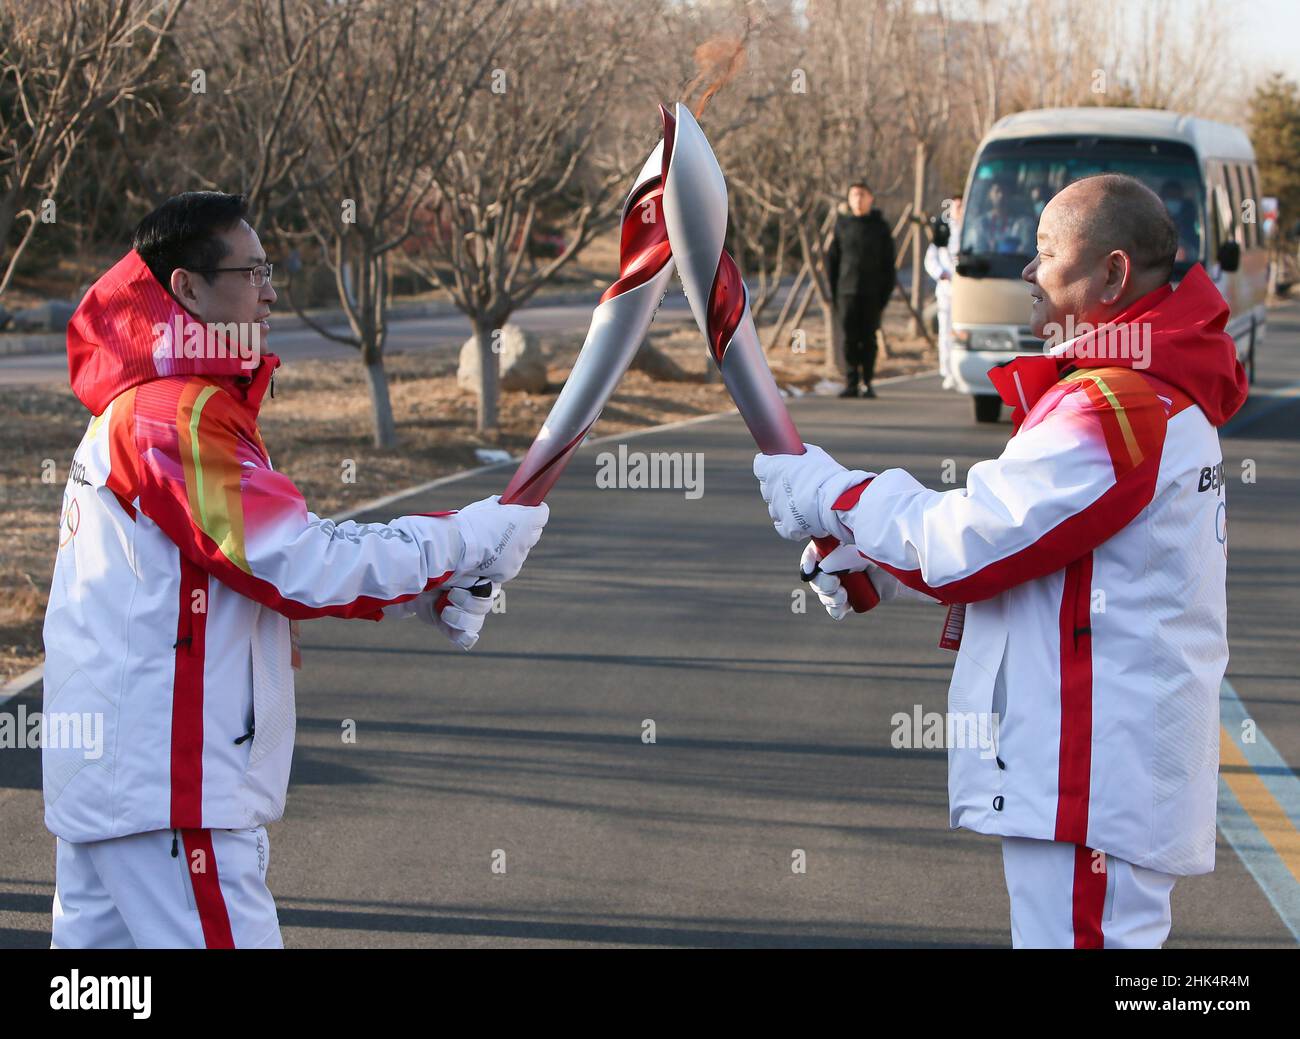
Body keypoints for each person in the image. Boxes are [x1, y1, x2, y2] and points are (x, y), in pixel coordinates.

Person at [42, 191, 550, 948]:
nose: (272, 290)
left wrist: (421, 593)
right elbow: (299, 561)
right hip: (175, 800)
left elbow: (237, 579)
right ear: (186, 287)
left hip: (124, 799)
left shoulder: (150, 410)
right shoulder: (168, 418)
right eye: (253, 272)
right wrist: (462, 538)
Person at [752, 174, 1247, 948]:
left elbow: (969, 543)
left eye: (1048, 251)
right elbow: (1041, 556)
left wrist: (833, 495)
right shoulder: (1142, 390)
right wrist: (874, 556)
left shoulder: (1122, 407)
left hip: (1092, 778)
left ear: (1113, 274)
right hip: (1091, 772)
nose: (1027, 269)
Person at [826, 181, 895, 398]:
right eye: (854, 195)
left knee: (869, 339)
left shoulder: (880, 227)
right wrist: (835, 290)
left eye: (862, 195)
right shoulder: (842, 225)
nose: (857, 199)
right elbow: (832, 261)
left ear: (870, 198)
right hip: (846, 291)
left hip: (872, 292)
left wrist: (884, 294)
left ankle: (867, 381)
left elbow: (888, 264)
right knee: (849, 338)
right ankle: (851, 382)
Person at [924, 194, 962, 390]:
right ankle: (947, 371)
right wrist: (942, 274)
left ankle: (961, 370)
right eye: (955, 206)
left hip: (966, 291)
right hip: (947, 290)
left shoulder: (970, 229)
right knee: (945, 330)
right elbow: (930, 259)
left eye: (962, 206)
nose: (958, 210)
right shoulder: (943, 230)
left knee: (962, 331)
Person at [967, 177, 1035, 255]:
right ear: (990, 194)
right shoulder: (981, 223)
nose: (1001, 195)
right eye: (997, 191)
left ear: (1010, 195)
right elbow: (976, 252)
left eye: (1005, 191)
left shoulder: (1023, 223)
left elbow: (1026, 251)